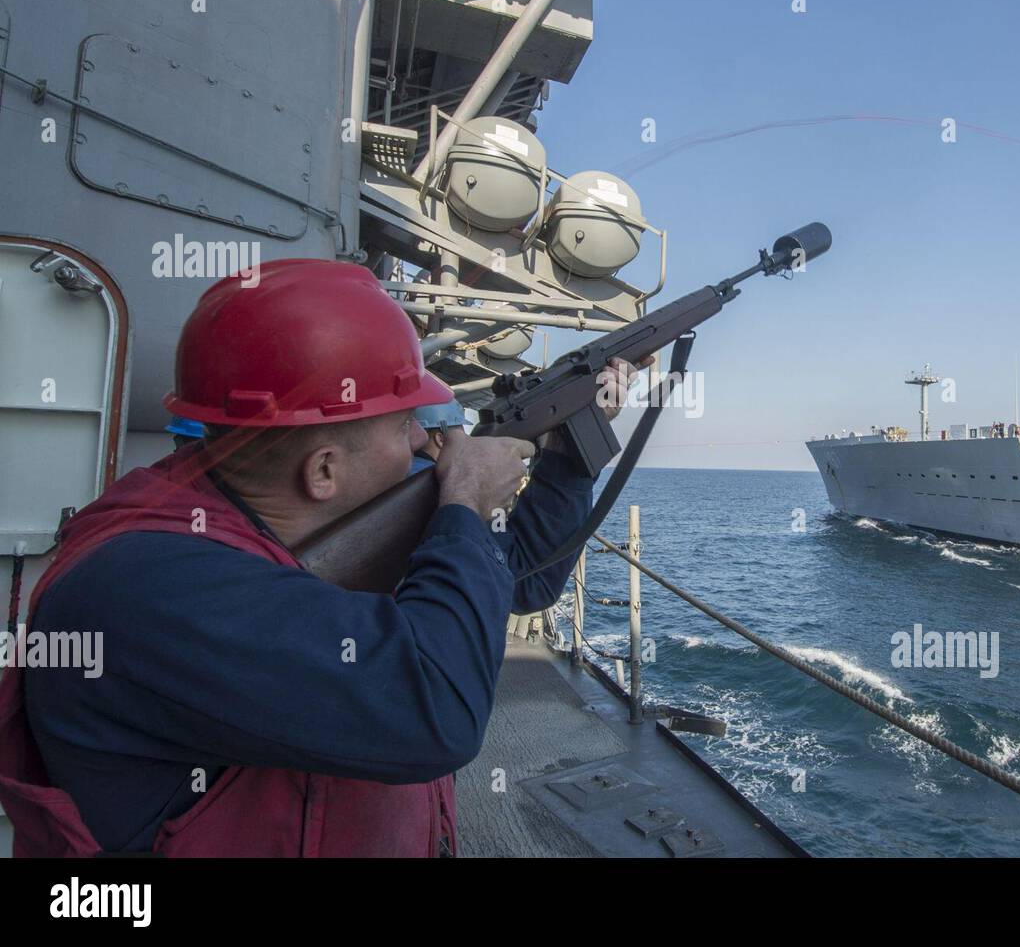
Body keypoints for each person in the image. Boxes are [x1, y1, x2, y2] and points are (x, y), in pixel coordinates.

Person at [0, 258, 641, 857]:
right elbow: (435, 716)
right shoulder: (144, 589)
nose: (423, 441)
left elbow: (521, 579)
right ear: (324, 469)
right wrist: (466, 500)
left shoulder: (284, 507)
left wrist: (565, 460)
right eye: (401, 425)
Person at [408, 400, 467, 474]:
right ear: (441, 440)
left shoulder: (404, 469)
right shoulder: (440, 479)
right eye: (463, 436)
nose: (466, 442)